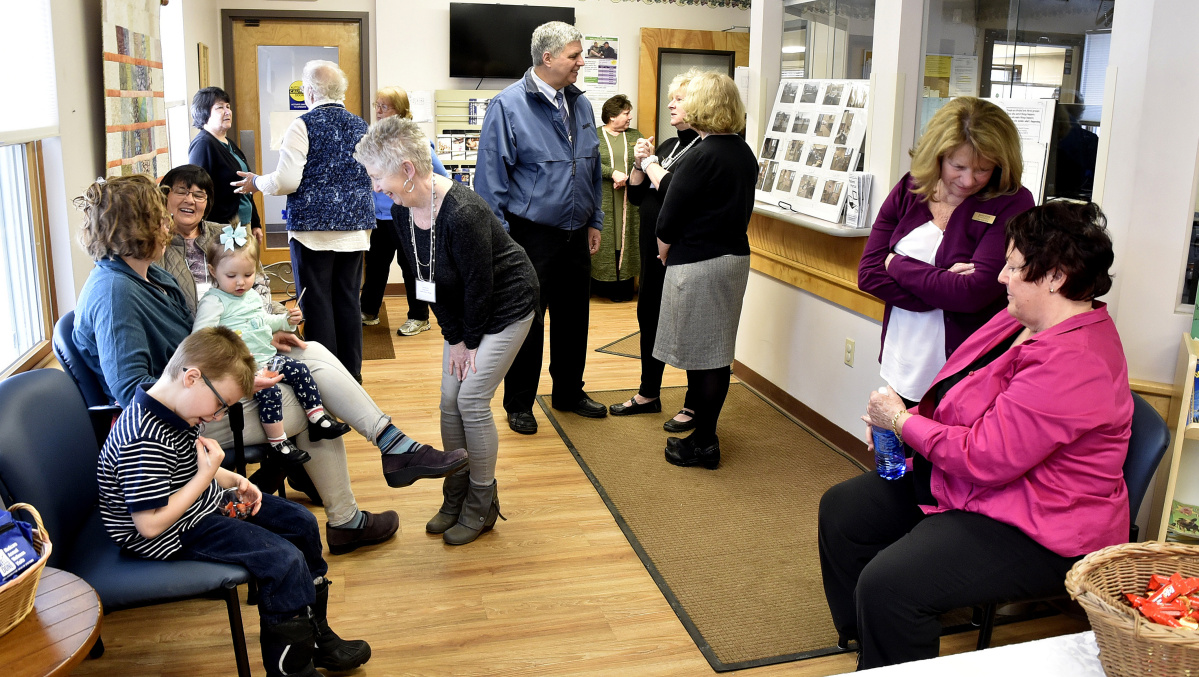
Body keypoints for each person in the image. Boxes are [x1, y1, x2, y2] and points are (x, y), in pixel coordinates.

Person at [72, 175, 468, 555]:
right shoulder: (115, 294)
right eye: (161, 217)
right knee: (319, 403)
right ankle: (359, 502)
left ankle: (387, 454)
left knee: (303, 352)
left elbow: (196, 346)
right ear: (143, 227)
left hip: (199, 394)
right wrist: (236, 381)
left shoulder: (149, 276)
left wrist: (257, 342)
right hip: (182, 426)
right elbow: (132, 393)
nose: (169, 222)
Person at [819, 201, 1131, 669]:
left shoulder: (1075, 361)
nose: (1001, 276)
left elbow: (987, 456)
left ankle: (887, 644)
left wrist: (902, 423)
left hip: (1041, 524)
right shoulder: (1018, 321)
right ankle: (870, 642)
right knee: (843, 511)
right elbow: (955, 394)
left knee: (891, 584)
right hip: (984, 486)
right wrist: (902, 427)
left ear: (1055, 277)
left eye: (1013, 266)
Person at [97, 327, 372, 676]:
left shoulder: (181, 409)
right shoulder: (143, 438)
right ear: (192, 377)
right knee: (282, 563)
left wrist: (235, 479)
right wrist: (206, 477)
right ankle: (293, 671)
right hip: (172, 531)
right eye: (219, 406)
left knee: (301, 523)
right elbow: (150, 525)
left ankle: (315, 638)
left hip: (195, 505)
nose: (215, 418)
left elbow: (195, 467)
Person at [355, 116, 538, 545]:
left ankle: (482, 501)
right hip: (464, 309)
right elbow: (426, 279)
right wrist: (454, 338)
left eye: (378, 176)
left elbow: (481, 286)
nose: (375, 186)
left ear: (406, 170)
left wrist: (469, 342)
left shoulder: (464, 211)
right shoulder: (404, 211)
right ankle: (454, 492)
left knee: (472, 398)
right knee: (448, 399)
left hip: (507, 304)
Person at [858, 97, 1035, 406]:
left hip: (967, 371)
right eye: (958, 166)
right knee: (894, 451)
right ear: (937, 156)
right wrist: (941, 288)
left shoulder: (1013, 203)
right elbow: (868, 275)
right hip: (904, 358)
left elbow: (973, 294)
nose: (968, 180)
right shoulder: (911, 189)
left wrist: (896, 264)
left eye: (982, 169)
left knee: (944, 451)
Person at [474, 20, 606, 435]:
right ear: (547, 58)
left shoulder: (581, 104)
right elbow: (490, 181)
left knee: (574, 317)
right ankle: (519, 403)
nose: (581, 63)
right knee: (527, 321)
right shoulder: (507, 105)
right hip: (528, 235)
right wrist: (501, 242)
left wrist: (595, 219)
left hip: (576, 232)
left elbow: (592, 167)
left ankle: (569, 392)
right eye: (574, 56)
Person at [232, 60, 374, 382]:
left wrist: (256, 182)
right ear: (342, 92)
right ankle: (352, 377)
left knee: (318, 304)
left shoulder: (303, 125)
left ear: (309, 92)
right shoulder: (362, 126)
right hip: (355, 231)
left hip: (313, 233)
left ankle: (326, 378)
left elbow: (286, 181)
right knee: (349, 302)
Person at [652, 71, 757, 470]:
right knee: (712, 351)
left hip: (699, 264)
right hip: (732, 260)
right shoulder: (741, 152)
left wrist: (663, 253)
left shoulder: (701, 155)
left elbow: (668, 220)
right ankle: (703, 433)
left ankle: (705, 441)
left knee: (707, 357)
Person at [193, 225, 352, 464]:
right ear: (213, 271)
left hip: (266, 358)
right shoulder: (214, 301)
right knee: (270, 392)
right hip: (241, 367)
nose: (240, 283)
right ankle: (279, 443)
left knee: (300, 370)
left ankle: (317, 419)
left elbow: (264, 321)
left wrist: (286, 321)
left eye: (247, 275)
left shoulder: (251, 296)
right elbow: (201, 336)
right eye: (231, 276)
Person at [608, 70, 702, 432]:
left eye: (678, 99)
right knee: (649, 319)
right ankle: (649, 393)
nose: (670, 104)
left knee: (688, 329)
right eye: (671, 98)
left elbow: (675, 192)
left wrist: (652, 167)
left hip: (682, 256)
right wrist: (639, 162)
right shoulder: (668, 145)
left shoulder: (701, 151)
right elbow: (637, 196)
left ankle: (695, 404)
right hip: (652, 256)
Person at [360, 86, 450, 335]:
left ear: (400, 110)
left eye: (384, 106)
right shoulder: (377, 138)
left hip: (408, 215)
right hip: (381, 217)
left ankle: (420, 317)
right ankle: (368, 311)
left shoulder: (414, 140)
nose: (378, 111)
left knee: (413, 267)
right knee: (376, 265)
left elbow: (440, 175)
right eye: (376, 105)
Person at [158, 164, 273, 315]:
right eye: (181, 192)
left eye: (199, 195)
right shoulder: (153, 242)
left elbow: (259, 285)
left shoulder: (227, 233)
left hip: (238, 325)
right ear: (165, 196)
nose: (190, 200)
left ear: (207, 202)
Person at [187, 87, 262, 240]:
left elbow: (245, 185)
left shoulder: (228, 143)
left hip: (243, 225)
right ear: (204, 112)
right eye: (220, 107)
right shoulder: (203, 145)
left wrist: (255, 222)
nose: (227, 111)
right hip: (224, 229)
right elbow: (199, 191)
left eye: (228, 106)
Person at [593, 94, 643, 302]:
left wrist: (627, 178)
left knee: (626, 238)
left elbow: (643, 160)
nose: (630, 117)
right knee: (604, 237)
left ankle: (623, 287)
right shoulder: (594, 135)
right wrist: (612, 173)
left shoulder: (635, 135)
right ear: (612, 116)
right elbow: (591, 163)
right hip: (603, 196)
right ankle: (600, 285)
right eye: (626, 113)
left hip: (628, 199)